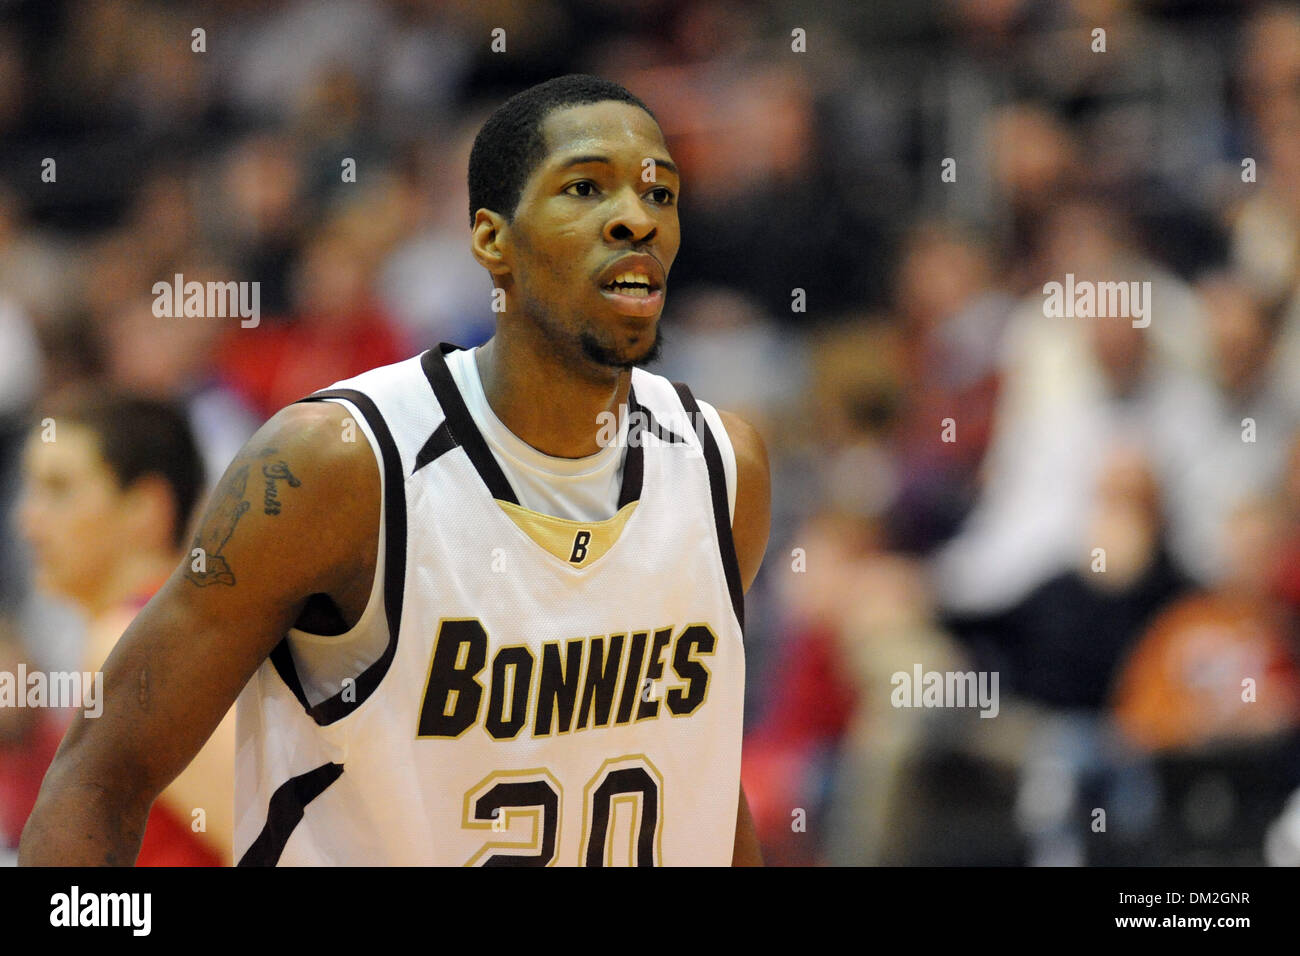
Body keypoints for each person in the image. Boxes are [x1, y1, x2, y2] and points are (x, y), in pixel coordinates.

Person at [19, 74, 770, 866]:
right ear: (491, 240)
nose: (636, 218)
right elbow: (99, 779)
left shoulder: (723, 469)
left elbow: (703, 785)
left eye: (661, 192)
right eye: (586, 187)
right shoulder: (339, 465)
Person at [15, 389, 234, 864]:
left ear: (146, 508)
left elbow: (263, 837)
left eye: (58, 490)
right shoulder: (157, 630)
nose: (27, 522)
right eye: (29, 490)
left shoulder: (128, 639)